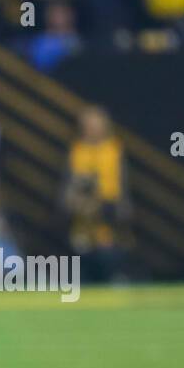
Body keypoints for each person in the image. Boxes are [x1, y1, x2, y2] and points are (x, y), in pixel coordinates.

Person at [64, 105, 128, 281]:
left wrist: (101, 208)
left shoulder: (115, 150)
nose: (92, 130)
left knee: (107, 254)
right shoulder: (76, 151)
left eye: (96, 125)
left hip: (109, 223)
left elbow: (123, 199)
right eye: (88, 125)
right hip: (79, 225)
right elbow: (65, 195)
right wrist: (77, 204)